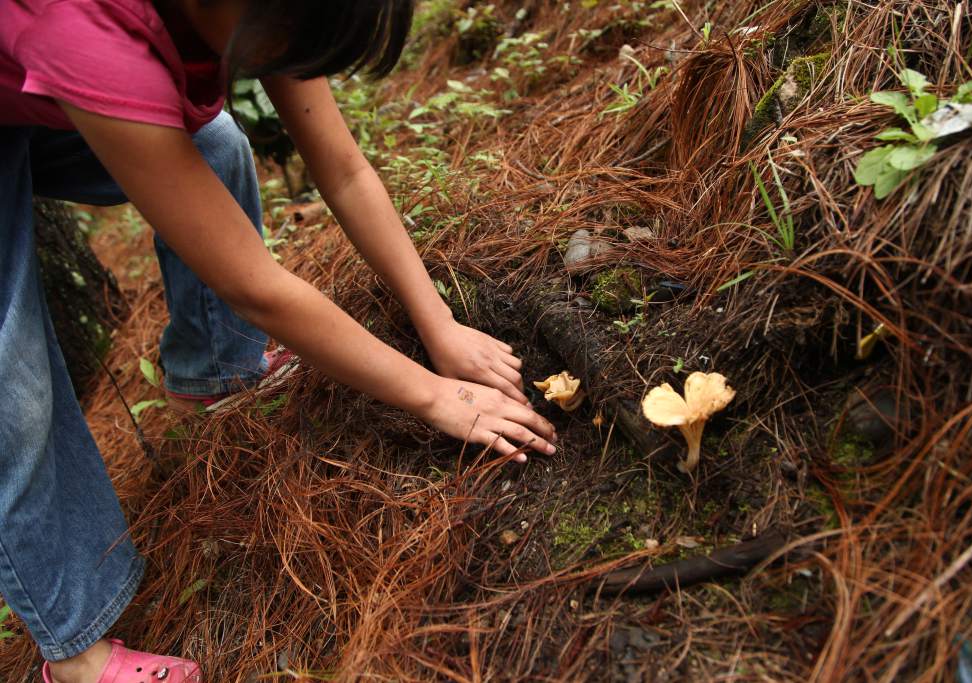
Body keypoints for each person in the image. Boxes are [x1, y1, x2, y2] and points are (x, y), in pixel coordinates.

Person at [0, 0, 558, 679]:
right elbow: (254, 284)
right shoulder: (83, 28)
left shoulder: (266, 11)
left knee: (217, 145)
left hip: (33, 75)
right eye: (282, 50)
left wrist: (437, 324)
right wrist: (434, 396)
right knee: (13, 372)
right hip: (45, 47)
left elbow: (345, 168)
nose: (284, 70)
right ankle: (75, 649)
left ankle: (214, 379)